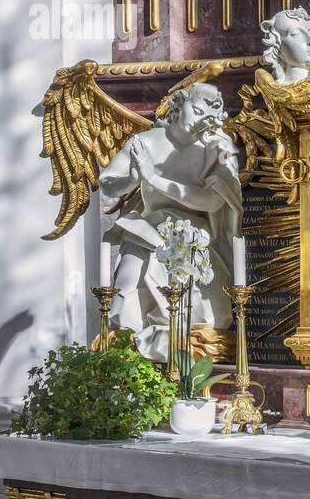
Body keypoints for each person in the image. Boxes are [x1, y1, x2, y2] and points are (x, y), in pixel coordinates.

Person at [101, 83, 242, 361]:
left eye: (207, 117)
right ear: (179, 105)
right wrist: (133, 178)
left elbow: (213, 201)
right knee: (126, 299)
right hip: (146, 230)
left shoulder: (214, 149)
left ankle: (182, 355)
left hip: (194, 239)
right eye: (196, 110)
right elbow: (107, 184)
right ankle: (129, 354)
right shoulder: (145, 142)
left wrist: (153, 178)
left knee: (212, 314)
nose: (199, 121)